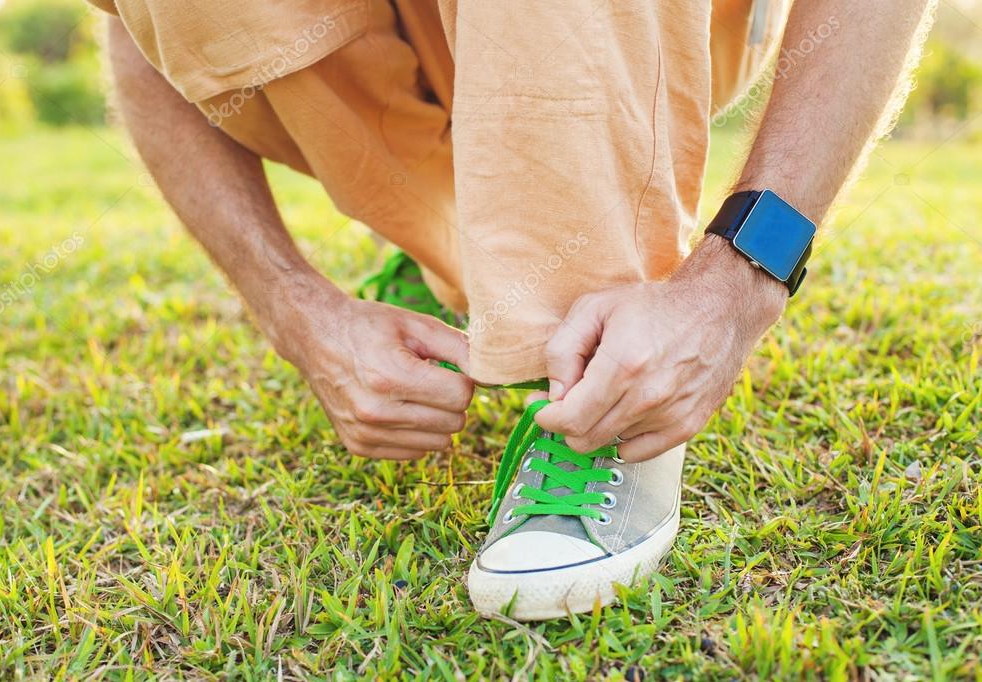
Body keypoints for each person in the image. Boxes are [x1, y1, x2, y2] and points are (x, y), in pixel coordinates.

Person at [92, 0, 934, 620]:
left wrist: (740, 278)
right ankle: (455, 264)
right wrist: (292, 308)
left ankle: (599, 397)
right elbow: (135, 26)